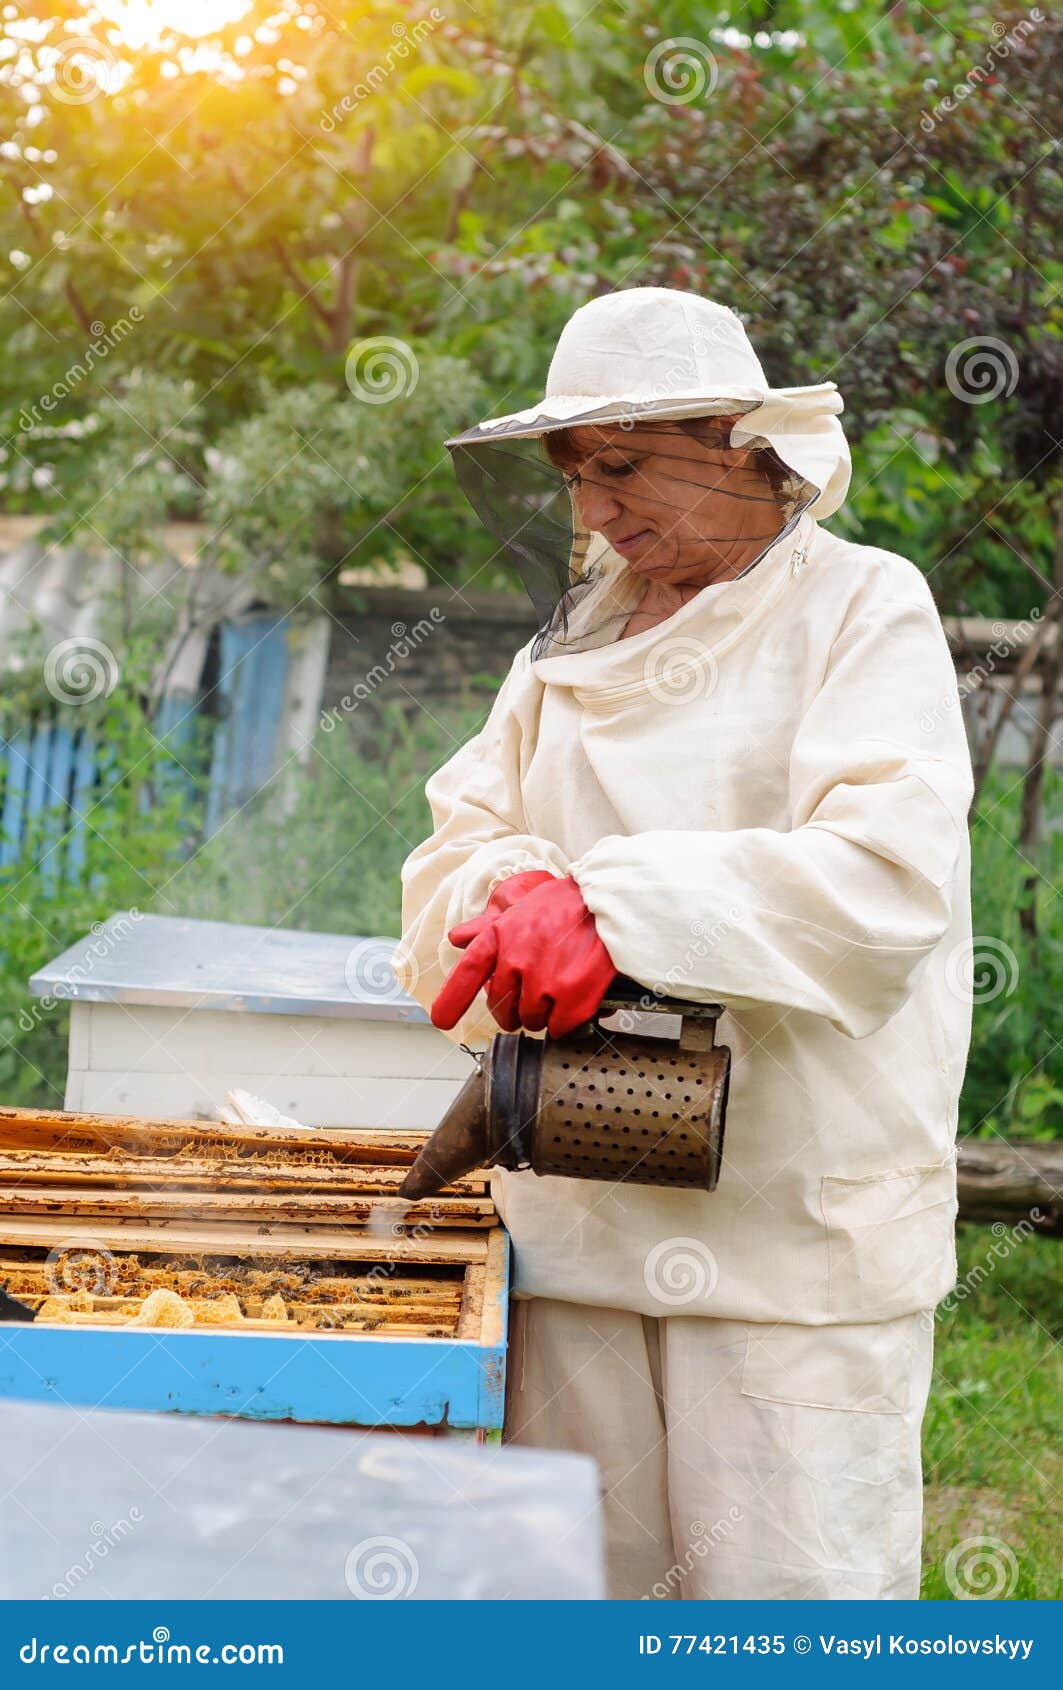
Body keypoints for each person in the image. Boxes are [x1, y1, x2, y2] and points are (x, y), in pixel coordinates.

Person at [391, 287, 974, 1600]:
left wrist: (609, 910)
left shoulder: (863, 610)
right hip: (579, 1233)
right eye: (576, 480)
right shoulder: (566, 646)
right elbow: (449, 855)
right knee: (585, 1617)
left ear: (735, 438)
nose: (595, 512)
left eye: (622, 468)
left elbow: (879, 889)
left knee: (787, 1627)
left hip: (790, 1254)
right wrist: (509, 893)